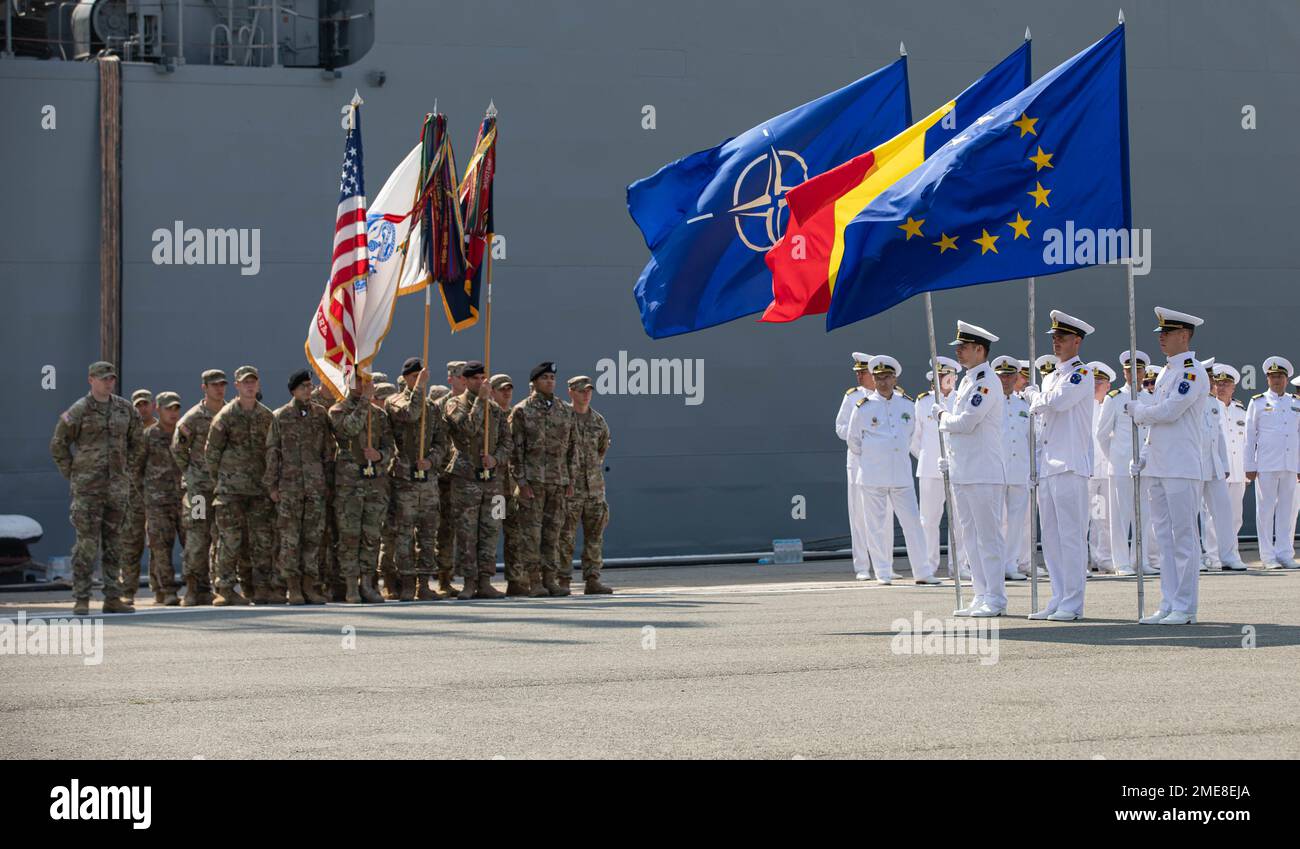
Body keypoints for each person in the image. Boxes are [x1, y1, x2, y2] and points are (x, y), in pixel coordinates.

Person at [1128, 307, 1209, 624]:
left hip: (1181, 466)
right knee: (1163, 537)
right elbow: (1159, 424)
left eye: (1168, 333)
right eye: (1160, 333)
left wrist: (1139, 411)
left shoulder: (1192, 371)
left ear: (1184, 336)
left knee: (1183, 539)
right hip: (1160, 465)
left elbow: (1171, 411)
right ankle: (1168, 601)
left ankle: (1185, 606)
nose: (1161, 338)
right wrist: (1145, 455)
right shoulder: (1165, 372)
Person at [50, 361, 143, 615]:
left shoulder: (126, 409)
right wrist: (73, 473)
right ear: (91, 379)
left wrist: (126, 473)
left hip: (116, 489)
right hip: (88, 490)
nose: (108, 382)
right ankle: (81, 597)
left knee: (115, 543)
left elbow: (137, 443)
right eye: (103, 378)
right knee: (86, 545)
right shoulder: (78, 410)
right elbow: (58, 444)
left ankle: (113, 597)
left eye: (111, 378)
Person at [1027, 310, 1094, 622]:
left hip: (1070, 464)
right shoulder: (1052, 376)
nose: (1056, 342)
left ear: (1076, 341)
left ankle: (1073, 602)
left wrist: (1036, 397)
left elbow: (1056, 403)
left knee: (1071, 536)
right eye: (1054, 338)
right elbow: (1046, 407)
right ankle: (1058, 596)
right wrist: (1041, 396)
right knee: (1051, 538)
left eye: (1062, 337)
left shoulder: (1082, 373)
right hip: (1049, 465)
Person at [937, 322, 1008, 617]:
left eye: (963, 347)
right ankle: (980, 593)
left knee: (988, 538)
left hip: (983, 472)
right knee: (969, 537)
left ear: (980, 349)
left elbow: (967, 422)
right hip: (964, 471)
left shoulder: (986, 381)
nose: (959, 352)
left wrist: (941, 415)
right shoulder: (966, 381)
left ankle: (996, 597)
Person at [845, 355, 928, 586]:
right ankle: (882, 571)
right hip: (873, 475)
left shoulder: (907, 405)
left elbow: (910, 434)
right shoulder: (863, 407)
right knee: (876, 525)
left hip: (901, 475)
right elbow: (853, 441)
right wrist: (875, 456)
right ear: (873, 378)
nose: (883, 382)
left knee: (913, 523)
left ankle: (922, 572)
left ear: (895, 378)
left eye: (887, 377)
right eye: (878, 378)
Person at [206, 365, 276, 606]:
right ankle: (224, 588)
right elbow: (211, 454)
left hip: (258, 490)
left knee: (261, 541)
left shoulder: (266, 416)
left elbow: (273, 452)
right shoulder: (225, 416)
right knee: (229, 541)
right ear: (237, 385)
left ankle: (261, 588)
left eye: (253, 382)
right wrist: (223, 480)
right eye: (245, 382)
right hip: (230, 491)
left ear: (258, 385)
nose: (249, 385)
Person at [264, 369, 332, 605]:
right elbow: (273, 452)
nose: (308, 390)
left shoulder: (320, 415)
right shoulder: (280, 416)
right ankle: (292, 587)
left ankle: (309, 586)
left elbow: (327, 451)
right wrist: (272, 486)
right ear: (293, 390)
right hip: (290, 488)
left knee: (313, 539)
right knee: (290, 540)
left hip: (314, 487)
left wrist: (327, 483)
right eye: (303, 386)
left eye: (309, 386)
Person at [510, 362, 579, 596]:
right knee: (532, 533)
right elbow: (515, 450)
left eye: (552, 377)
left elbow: (573, 447)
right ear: (534, 383)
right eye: (545, 378)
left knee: (553, 532)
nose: (550, 381)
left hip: (558, 481)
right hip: (533, 481)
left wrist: (571, 479)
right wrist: (521, 481)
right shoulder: (522, 410)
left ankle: (551, 579)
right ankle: (534, 581)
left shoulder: (565, 410)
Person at [444, 361, 510, 599]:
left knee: (491, 529)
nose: (480, 382)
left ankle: (485, 580)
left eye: (483, 378)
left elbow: (507, 442)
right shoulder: (454, 404)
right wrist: (481, 402)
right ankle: (469, 582)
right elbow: (467, 429)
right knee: (466, 532)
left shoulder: (495, 409)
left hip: (493, 481)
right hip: (466, 478)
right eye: (474, 379)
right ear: (465, 380)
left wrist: (496, 458)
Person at [385, 358, 448, 600]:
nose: (417, 381)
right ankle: (407, 582)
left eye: (420, 377)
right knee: (404, 533)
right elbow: (410, 415)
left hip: (428, 480)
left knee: (428, 533)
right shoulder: (395, 401)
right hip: (405, 480)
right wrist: (419, 389)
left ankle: (424, 583)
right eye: (413, 378)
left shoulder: (432, 407)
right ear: (406, 379)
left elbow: (442, 441)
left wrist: (431, 460)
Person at [329, 376, 394, 603]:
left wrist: (380, 456)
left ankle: (367, 583)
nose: (363, 385)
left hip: (374, 483)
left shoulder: (380, 415)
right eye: (358, 381)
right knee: (349, 535)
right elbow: (348, 429)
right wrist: (365, 401)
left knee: (371, 535)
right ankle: (350, 586)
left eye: (365, 381)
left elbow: (389, 446)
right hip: (349, 484)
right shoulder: (338, 410)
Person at [1097, 350, 1155, 577]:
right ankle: (1121, 561)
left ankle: (1140, 559)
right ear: (1124, 371)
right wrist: (1116, 458)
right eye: (1130, 370)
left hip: (1146, 463)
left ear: (1144, 372)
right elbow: (1102, 434)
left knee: (1145, 514)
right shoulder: (1115, 398)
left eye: (1139, 370)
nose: (1135, 374)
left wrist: (1145, 457)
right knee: (1120, 516)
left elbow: (1153, 432)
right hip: (1121, 465)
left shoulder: (1151, 398)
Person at [172, 369, 227, 605]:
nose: (219, 389)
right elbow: (178, 450)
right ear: (204, 388)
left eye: (222, 384)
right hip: (199, 491)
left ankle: (220, 586)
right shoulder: (193, 418)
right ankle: (194, 587)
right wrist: (193, 473)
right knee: (196, 537)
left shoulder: (229, 413)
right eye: (214, 385)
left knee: (224, 538)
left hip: (224, 488)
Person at [559, 375, 614, 595]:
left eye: (589, 390)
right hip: (570, 489)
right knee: (565, 537)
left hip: (594, 488)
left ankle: (592, 579)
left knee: (594, 536)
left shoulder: (598, 421)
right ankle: (563, 580)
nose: (586, 394)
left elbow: (601, 450)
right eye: (581, 390)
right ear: (571, 392)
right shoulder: (562, 418)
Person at [1243, 356, 1300, 569]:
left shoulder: (1295, 402)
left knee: (1287, 510)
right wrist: (1249, 465)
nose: (1277, 380)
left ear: (1287, 379)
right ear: (1267, 378)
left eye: (1280, 376)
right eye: (1273, 376)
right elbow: (1250, 436)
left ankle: (1285, 553)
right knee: (1265, 510)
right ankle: (1267, 556)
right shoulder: (1258, 402)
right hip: (1266, 464)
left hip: (1289, 464)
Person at [911, 356, 963, 584]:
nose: (945, 379)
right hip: (930, 468)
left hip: (959, 468)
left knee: (961, 520)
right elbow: (914, 439)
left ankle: (960, 566)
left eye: (948, 376)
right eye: (941, 376)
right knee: (928, 521)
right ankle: (929, 567)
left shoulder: (962, 400)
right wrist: (928, 457)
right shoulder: (923, 403)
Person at [835, 352, 879, 580]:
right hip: (858, 462)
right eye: (858, 373)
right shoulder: (852, 398)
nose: (859, 376)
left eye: (863, 372)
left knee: (884, 515)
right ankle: (862, 566)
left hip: (881, 464)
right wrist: (861, 438)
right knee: (859, 515)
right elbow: (840, 427)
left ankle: (885, 564)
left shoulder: (892, 397)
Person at [1193, 358, 1239, 572]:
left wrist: (1224, 463)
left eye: (1212, 377)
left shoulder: (1213, 402)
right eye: (1209, 377)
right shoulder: (1190, 400)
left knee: (1223, 512)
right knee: (1192, 515)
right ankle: (1198, 557)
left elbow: (1219, 435)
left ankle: (1228, 556)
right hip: (1193, 464)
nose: (1212, 381)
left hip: (1213, 465)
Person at [139, 391, 184, 605]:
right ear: (159, 409)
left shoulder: (185, 432)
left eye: (176, 408)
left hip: (185, 500)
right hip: (157, 501)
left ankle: (198, 587)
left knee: (194, 543)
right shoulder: (148, 436)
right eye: (168, 409)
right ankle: (167, 590)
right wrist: (144, 497)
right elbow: (135, 467)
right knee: (160, 547)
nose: (173, 413)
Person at [993, 355, 1030, 581]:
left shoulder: (1024, 404)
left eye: (1009, 375)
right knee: (995, 521)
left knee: (1017, 521)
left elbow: (1032, 437)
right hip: (996, 469)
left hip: (1019, 469)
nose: (1005, 380)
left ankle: (1010, 563)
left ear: (1017, 377)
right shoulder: (989, 402)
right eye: (1001, 375)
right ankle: (995, 565)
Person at [434, 361, 468, 596]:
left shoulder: (476, 404)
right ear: (450, 379)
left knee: (460, 530)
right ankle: (439, 579)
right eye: (458, 377)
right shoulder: (437, 407)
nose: (463, 381)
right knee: (440, 530)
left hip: (464, 477)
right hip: (441, 477)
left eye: (466, 377)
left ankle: (457, 578)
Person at [120, 388, 157, 601]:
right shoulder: (126, 431)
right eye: (138, 405)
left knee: (158, 542)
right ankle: (127, 591)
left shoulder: (162, 429)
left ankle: (160, 589)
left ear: (153, 406)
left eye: (145, 404)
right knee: (131, 542)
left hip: (157, 493)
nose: (142, 408)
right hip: (132, 494)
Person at [1212, 364, 1249, 570]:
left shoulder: (1240, 410)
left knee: (1235, 517)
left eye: (1226, 383)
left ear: (1233, 387)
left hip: (1238, 471)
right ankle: (1212, 556)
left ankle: (1231, 554)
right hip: (1217, 471)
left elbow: (1245, 442)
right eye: (1219, 383)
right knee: (1212, 517)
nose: (1222, 387)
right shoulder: (1209, 407)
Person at [1087, 361, 1116, 574]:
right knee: (1084, 519)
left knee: (1103, 518)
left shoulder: (1112, 405)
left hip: (1105, 470)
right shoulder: (1083, 405)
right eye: (1094, 381)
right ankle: (1089, 559)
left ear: (1108, 385)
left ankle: (1103, 559)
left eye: (1101, 382)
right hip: (1086, 470)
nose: (1097, 385)